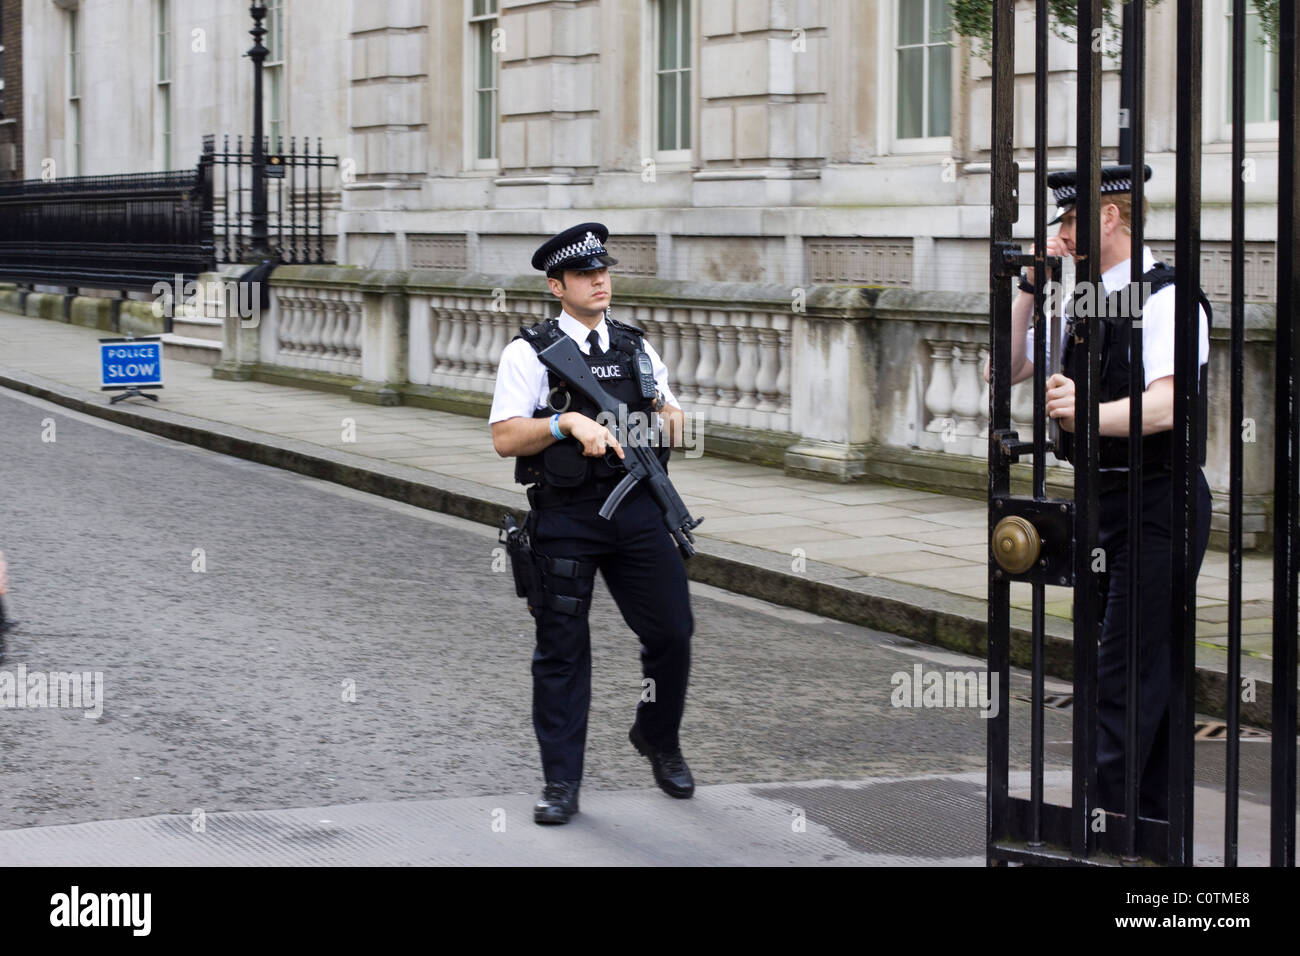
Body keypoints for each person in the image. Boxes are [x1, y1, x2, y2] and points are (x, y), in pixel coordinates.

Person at [1007, 165, 1212, 820]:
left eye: (1069, 224)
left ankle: (1102, 829)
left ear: (1111, 218)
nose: (1062, 239)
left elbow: (1169, 405)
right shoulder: (1084, 301)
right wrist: (1026, 290)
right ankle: (1149, 824)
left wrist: (1084, 412)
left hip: (1161, 500)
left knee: (1124, 670)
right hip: (1100, 502)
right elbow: (1006, 367)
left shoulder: (1167, 299)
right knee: (1125, 667)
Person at [489, 222, 696, 825]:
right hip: (566, 516)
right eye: (584, 274)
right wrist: (565, 425)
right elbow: (505, 437)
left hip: (636, 512)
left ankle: (657, 738)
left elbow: (678, 425)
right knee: (560, 649)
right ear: (557, 286)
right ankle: (561, 782)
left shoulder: (636, 347)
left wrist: (663, 416)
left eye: (603, 270)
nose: (599, 280)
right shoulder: (528, 352)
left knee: (672, 632)